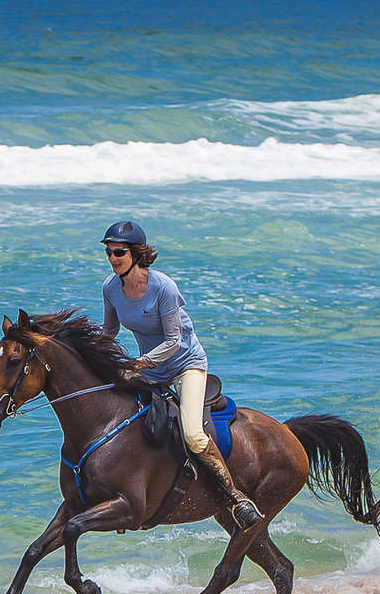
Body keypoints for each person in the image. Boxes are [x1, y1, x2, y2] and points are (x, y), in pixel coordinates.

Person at [98, 220, 262, 529]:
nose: (112, 258)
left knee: (192, 433)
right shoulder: (111, 288)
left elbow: (173, 340)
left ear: (136, 253)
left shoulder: (163, 287)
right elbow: (109, 331)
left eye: (118, 252)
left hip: (186, 365)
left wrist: (141, 362)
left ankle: (236, 497)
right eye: (108, 253)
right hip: (152, 370)